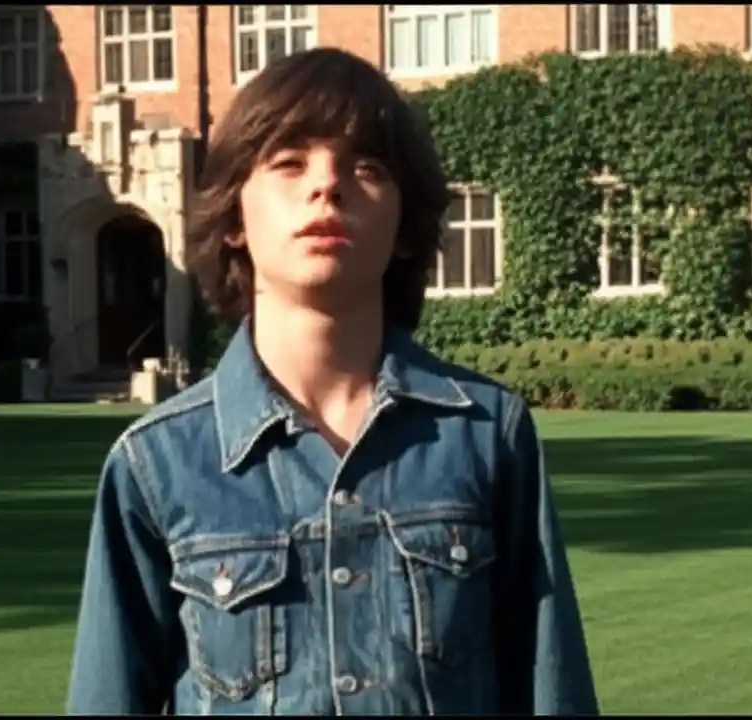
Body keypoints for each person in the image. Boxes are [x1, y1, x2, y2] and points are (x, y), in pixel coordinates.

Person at [65, 47, 598, 716]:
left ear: (405, 227)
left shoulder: (487, 435)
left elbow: (551, 689)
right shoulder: (156, 464)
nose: (328, 185)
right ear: (233, 216)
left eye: (366, 166)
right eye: (290, 162)